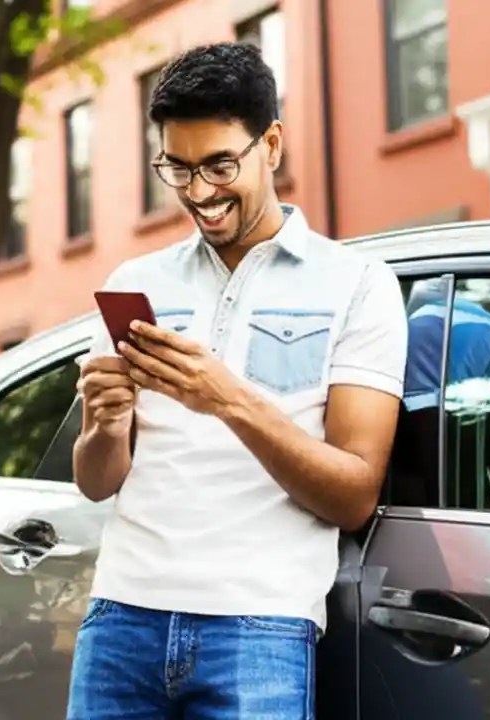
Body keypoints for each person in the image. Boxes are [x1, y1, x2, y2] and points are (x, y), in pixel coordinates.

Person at [69, 42, 409, 719]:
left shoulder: (358, 286)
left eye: (220, 165)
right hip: (120, 617)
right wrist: (105, 425)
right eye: (178, 168)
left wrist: (226, 398)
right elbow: (95, 479)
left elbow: (354, 496)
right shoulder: (135, 284)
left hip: (258, 627)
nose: (199, 192)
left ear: (272, 144)